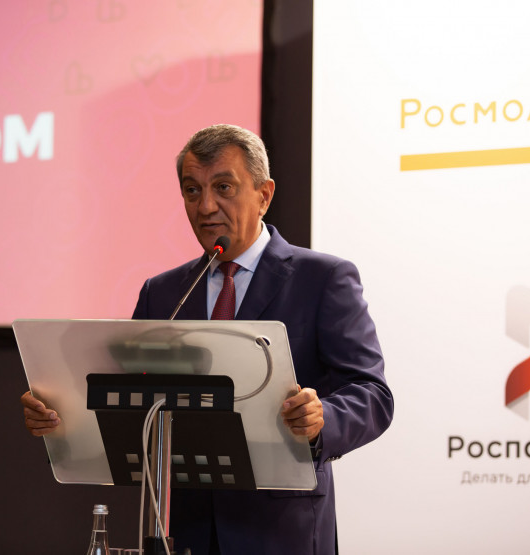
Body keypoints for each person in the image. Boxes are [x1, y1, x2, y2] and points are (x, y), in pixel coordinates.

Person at [21, 124, 393, 554]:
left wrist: (322, 417)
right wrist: (60, 415)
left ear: (264, 195)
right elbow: (126, 398)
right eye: (192, 190)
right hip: (185, 530)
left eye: (223, 187)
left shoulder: (322, 279)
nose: (206, 206)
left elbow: (373, 394)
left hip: (280, 530)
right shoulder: (163, 293)